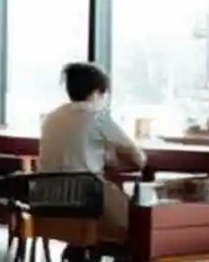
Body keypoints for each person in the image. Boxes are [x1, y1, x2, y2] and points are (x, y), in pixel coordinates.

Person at [39, 62, 146, 241]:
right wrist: (120, 166)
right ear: (96, 93)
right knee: (137, 216)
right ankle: (107, 253)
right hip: (83, 198)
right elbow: (139, 158)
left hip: (45, 199)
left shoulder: (51, 117)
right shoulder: (97, 117)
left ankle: (81, 255)